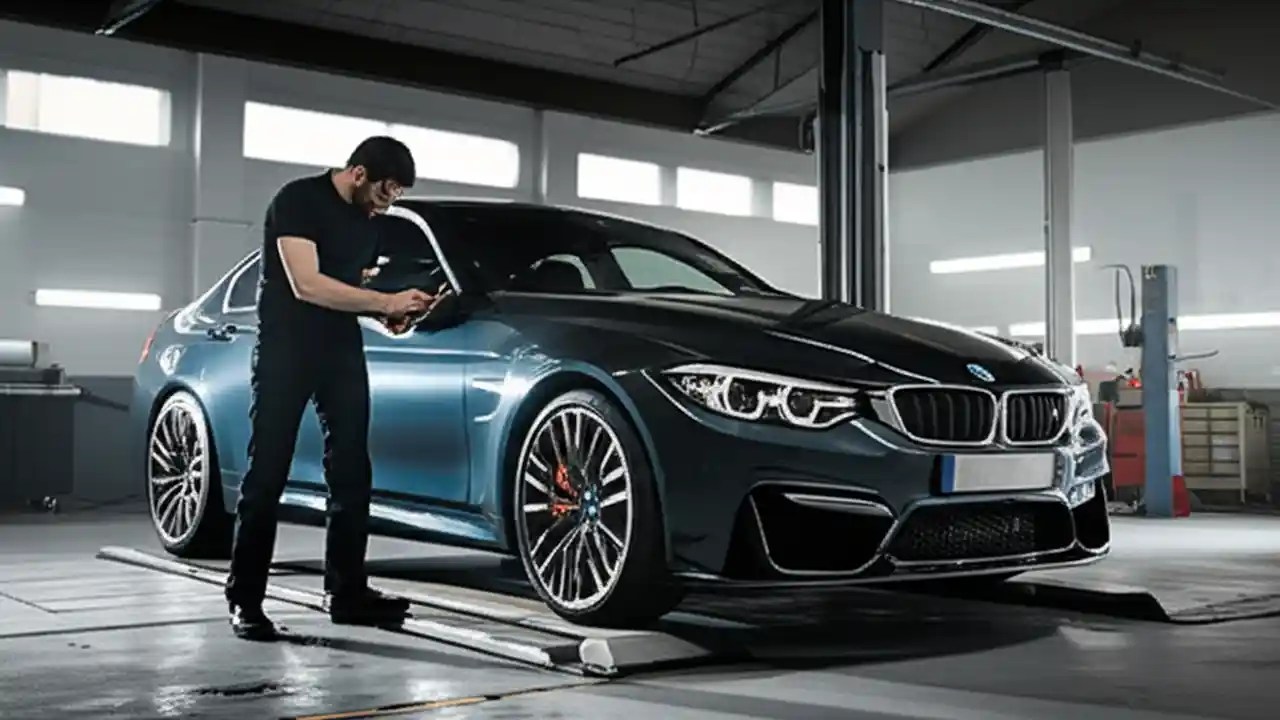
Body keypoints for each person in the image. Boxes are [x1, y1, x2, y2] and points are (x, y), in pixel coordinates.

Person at [225, 136, 433, 640]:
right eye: (385, 191)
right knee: (268, 472)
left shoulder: (368, 223)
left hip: (340, 349)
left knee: (351, 470)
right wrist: (383, 302)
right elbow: (308, 285)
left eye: (397, 194)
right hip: (285, 351)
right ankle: (245, 599)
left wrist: (394, 316)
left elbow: (352, 291)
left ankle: (347, 592)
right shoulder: (297, 200)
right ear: (358, 174)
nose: (389, 202)